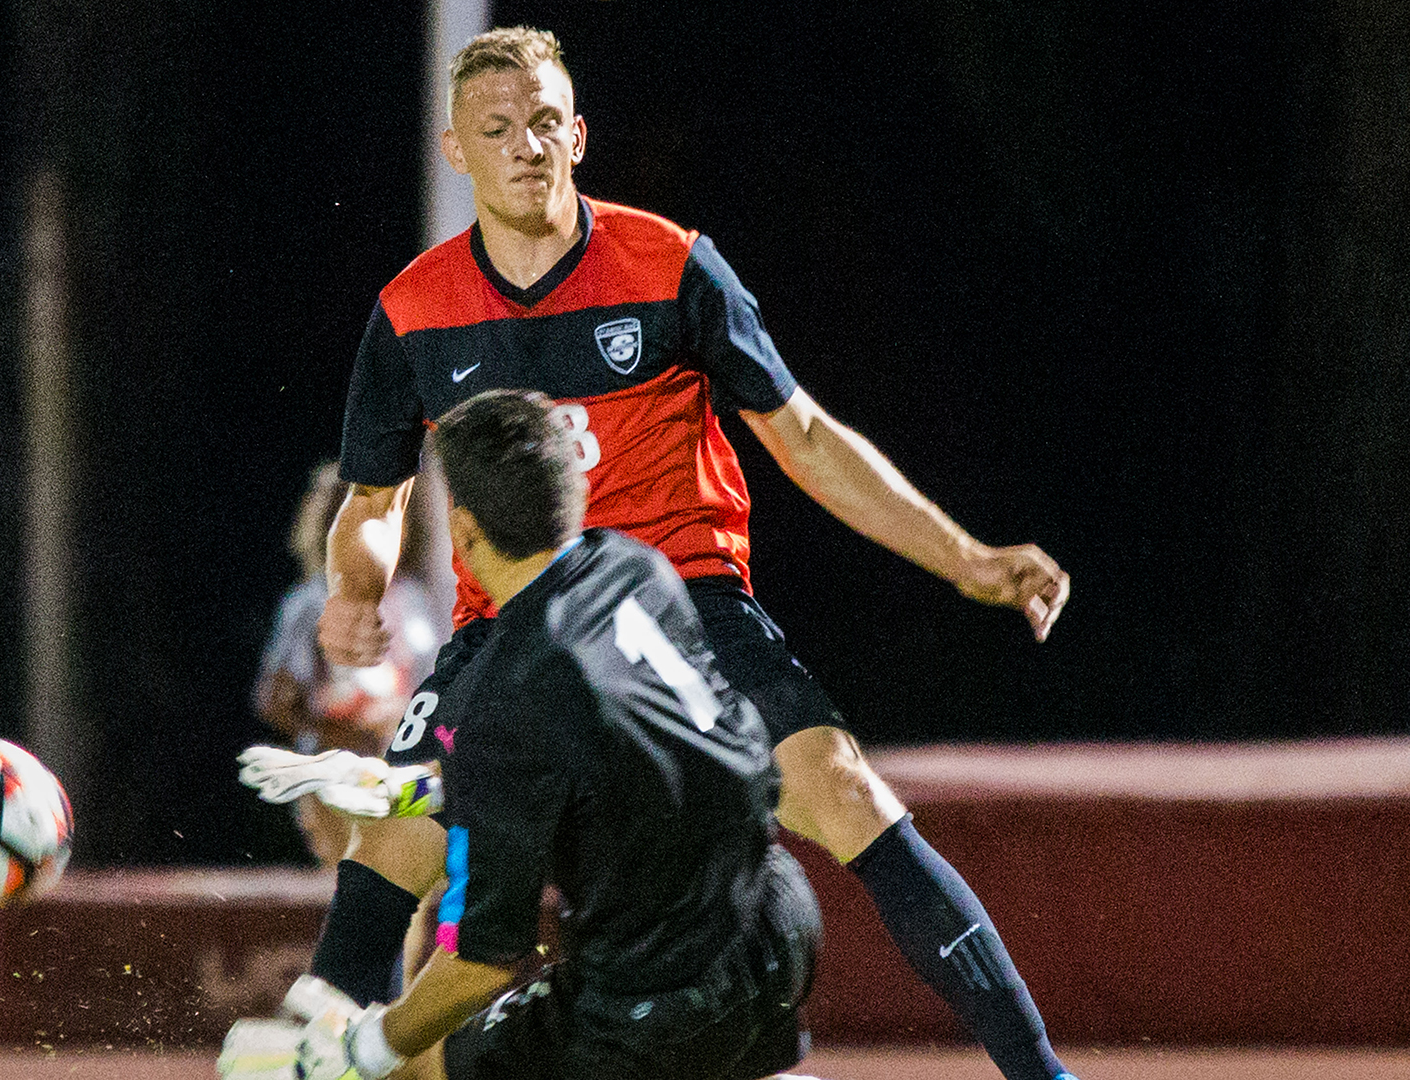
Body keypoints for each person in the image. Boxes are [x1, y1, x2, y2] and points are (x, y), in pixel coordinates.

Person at [302, 26, 1075, 1080]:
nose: (525, 145)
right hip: (511, 626)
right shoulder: (412, 311)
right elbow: (374, 498)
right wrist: (356, 585)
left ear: (577, 135)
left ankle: (1044, 1074)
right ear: (456, 151)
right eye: (497, 128)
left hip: (681, 604)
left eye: (542, 123)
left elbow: (802, 436)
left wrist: (966, 559)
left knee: (845, 791)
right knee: (391, 840)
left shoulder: (671, 265)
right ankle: (325, 1052)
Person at [223, 389, 826, 1080]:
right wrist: (394, 786)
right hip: (778, 919)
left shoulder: (508, 690)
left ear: (466, 530)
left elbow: (479, 960)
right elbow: (591, 765)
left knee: (415, 1066)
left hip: (653, 995)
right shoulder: (636, 567)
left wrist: (365, 1049)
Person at [254, 460, 447, 866]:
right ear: (333, 527)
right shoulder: (310, 603)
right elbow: (274, 700)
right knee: (354, 882)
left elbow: (437, 688)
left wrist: (401, 718)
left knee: (412, 884)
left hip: (407, 773)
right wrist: (337, 723)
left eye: (392, 517)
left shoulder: (416, 600)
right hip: (335, 776)